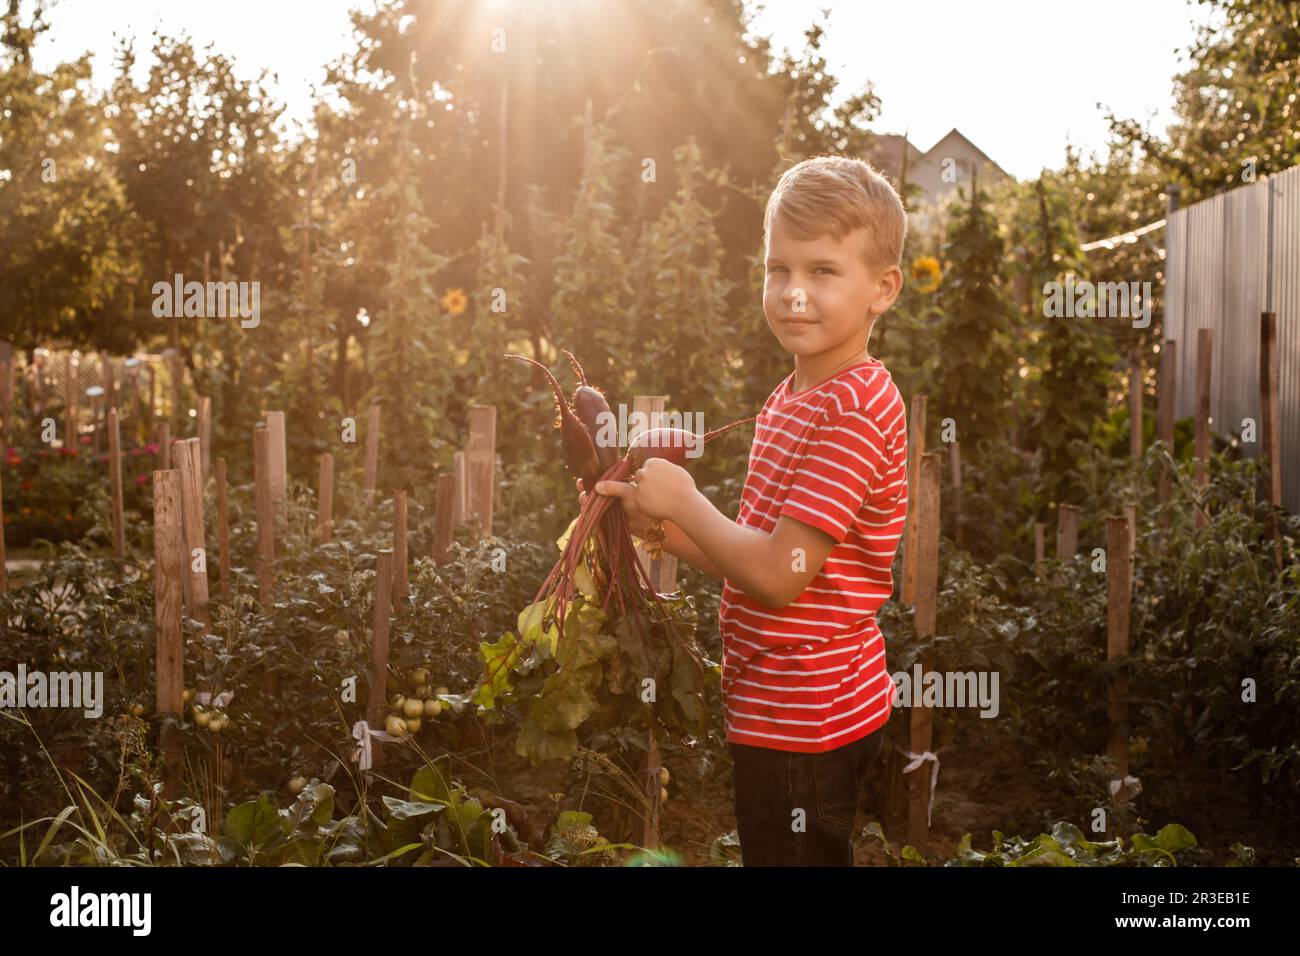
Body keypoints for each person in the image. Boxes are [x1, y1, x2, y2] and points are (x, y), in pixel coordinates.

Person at [587, 155, 909, 866]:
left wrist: (690, 503)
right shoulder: (795, 395)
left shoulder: (854, 409)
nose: (794, 293)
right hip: (778, 706)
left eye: (822, 271)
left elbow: (779, 575)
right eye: (778, 270)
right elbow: (751, 555)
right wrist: (661, 526)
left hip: (810, 718)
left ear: (883, 289)